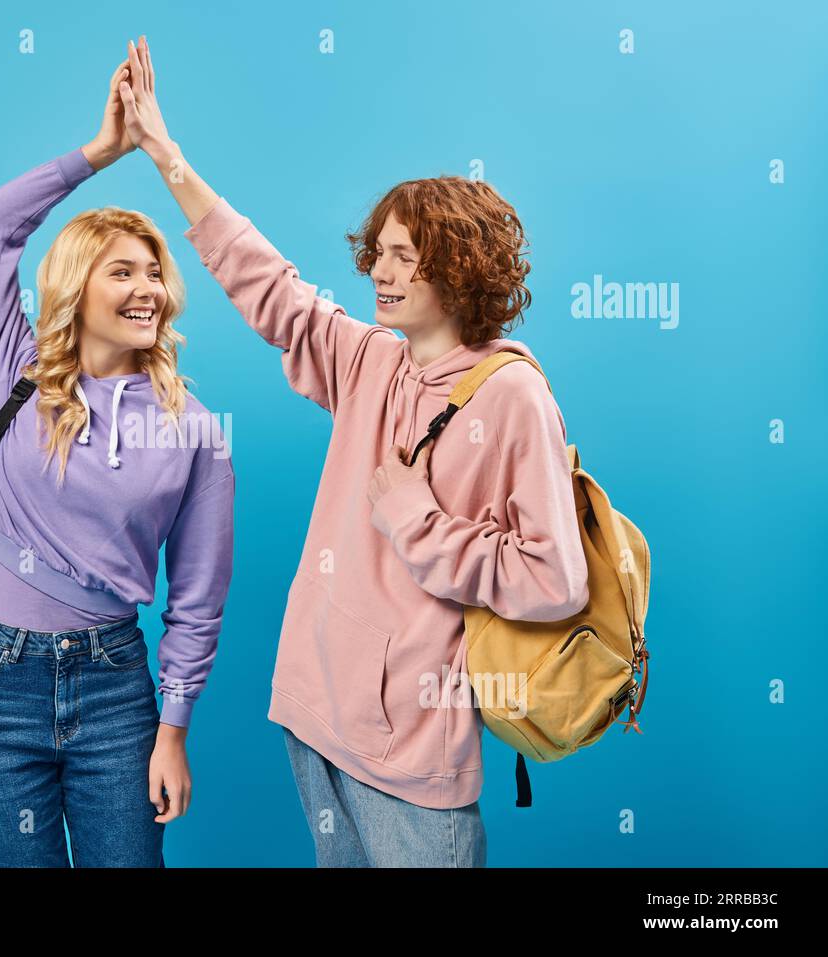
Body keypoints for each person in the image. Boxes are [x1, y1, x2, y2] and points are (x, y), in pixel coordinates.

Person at [117, 35, 588, 867]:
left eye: (409, 255)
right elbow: (274, 290)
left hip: (411, 753)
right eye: (381, 250)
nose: (382, 269)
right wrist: (165, 155)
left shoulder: (513, 397)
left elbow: (555, 579)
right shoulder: (373, 357)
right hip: (314, 716)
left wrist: (420, 523)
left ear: (463, 267)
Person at [0, 58, 235, 867]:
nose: (148, 289)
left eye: (155, 273)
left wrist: (172, 728)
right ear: (78, 285)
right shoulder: (15, 370)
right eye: (123, 270)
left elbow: (199, 600)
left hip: (115, 691)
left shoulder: (197, 432)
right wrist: (101, 152)